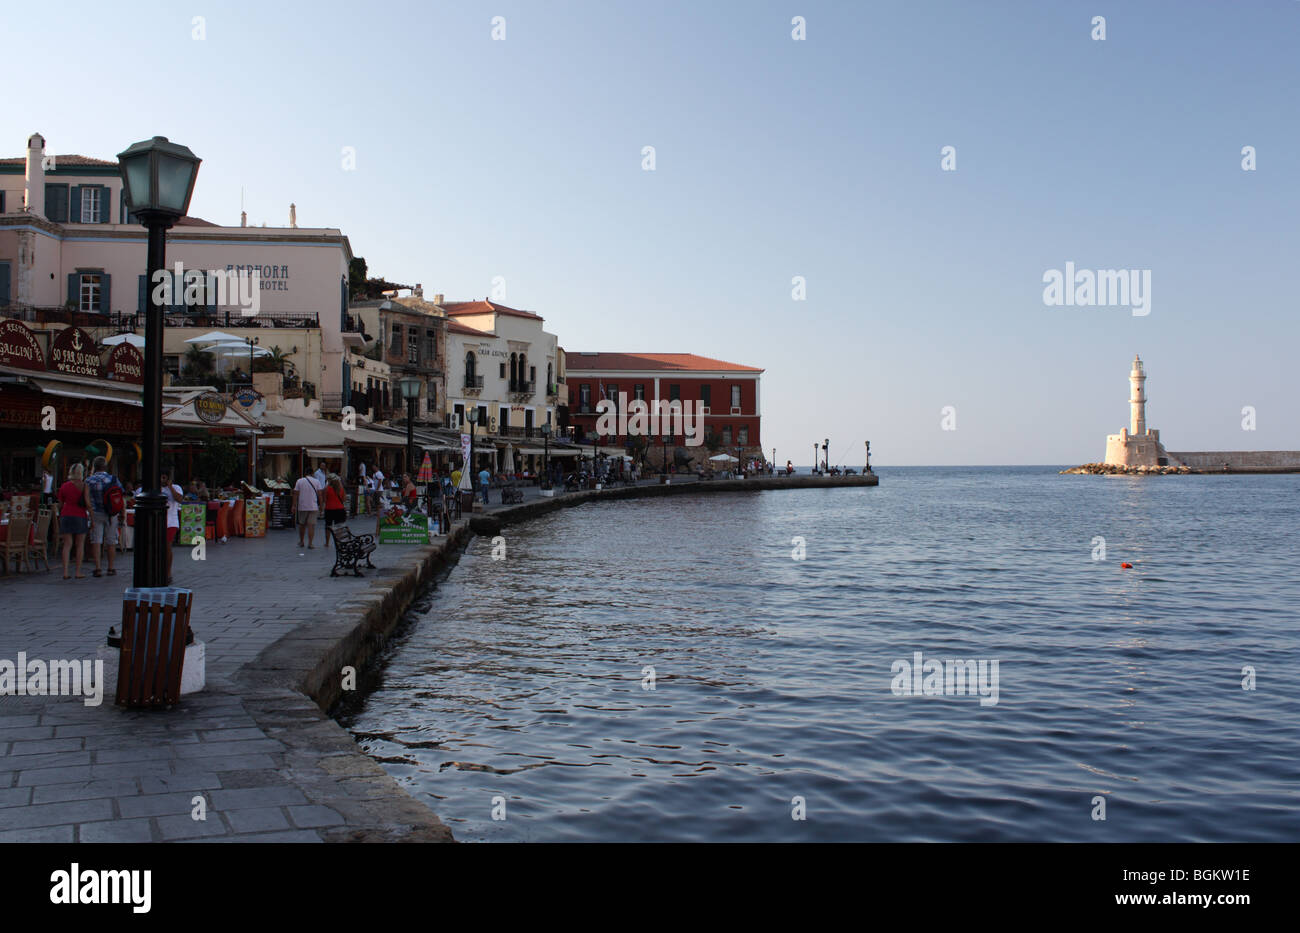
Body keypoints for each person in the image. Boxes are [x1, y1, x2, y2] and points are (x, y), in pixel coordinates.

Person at [85, 456, 123, 578]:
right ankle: (111, 567)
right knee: (111, 541)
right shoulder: (113, 479)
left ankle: (98, 568)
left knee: (96, 541)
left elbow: (87, 499)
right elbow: (120, 495)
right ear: (105, 466)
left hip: (96, 513)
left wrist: (90, 513)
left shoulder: (89, 480)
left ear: (94, 467)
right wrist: (121, 512)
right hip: (111, 513)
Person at [57, 463, 92, 580]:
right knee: (79, 544)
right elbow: (87, 503)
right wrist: (91, 516)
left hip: (66, 514)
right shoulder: (84, 486)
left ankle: (65, 572)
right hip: (80, 515)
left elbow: (60, 504)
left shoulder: (64, 486)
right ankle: (78, 571)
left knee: (67, 544)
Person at [160, 469, 185, 585]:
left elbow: (179, 499)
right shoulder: (154, 488)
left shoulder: (176, 487)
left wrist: (170, 487)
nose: (162, 480)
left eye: (165, 477)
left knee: (167, 546)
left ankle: (168, 572)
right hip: (157, 521)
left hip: (171, 522)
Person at [293, 471, 322, 548]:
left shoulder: (299, 481)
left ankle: (302, 541)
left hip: (302, 506)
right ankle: (310, 543)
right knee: (311, 526)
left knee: (302, 525)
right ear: (312, 474)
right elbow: (320, 494)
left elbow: (295, 493)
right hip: (313, 506)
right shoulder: (317, 481)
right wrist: (321, 506)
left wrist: (293, 505)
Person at [322, 474, 348, 546]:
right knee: (339, 526)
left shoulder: (326, 489)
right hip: (339, 509)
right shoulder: (341, 489)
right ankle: (338, 542)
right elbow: (344, 499)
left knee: (328, 526)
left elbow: (324, 500)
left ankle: (327, 543)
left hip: (329, 509)